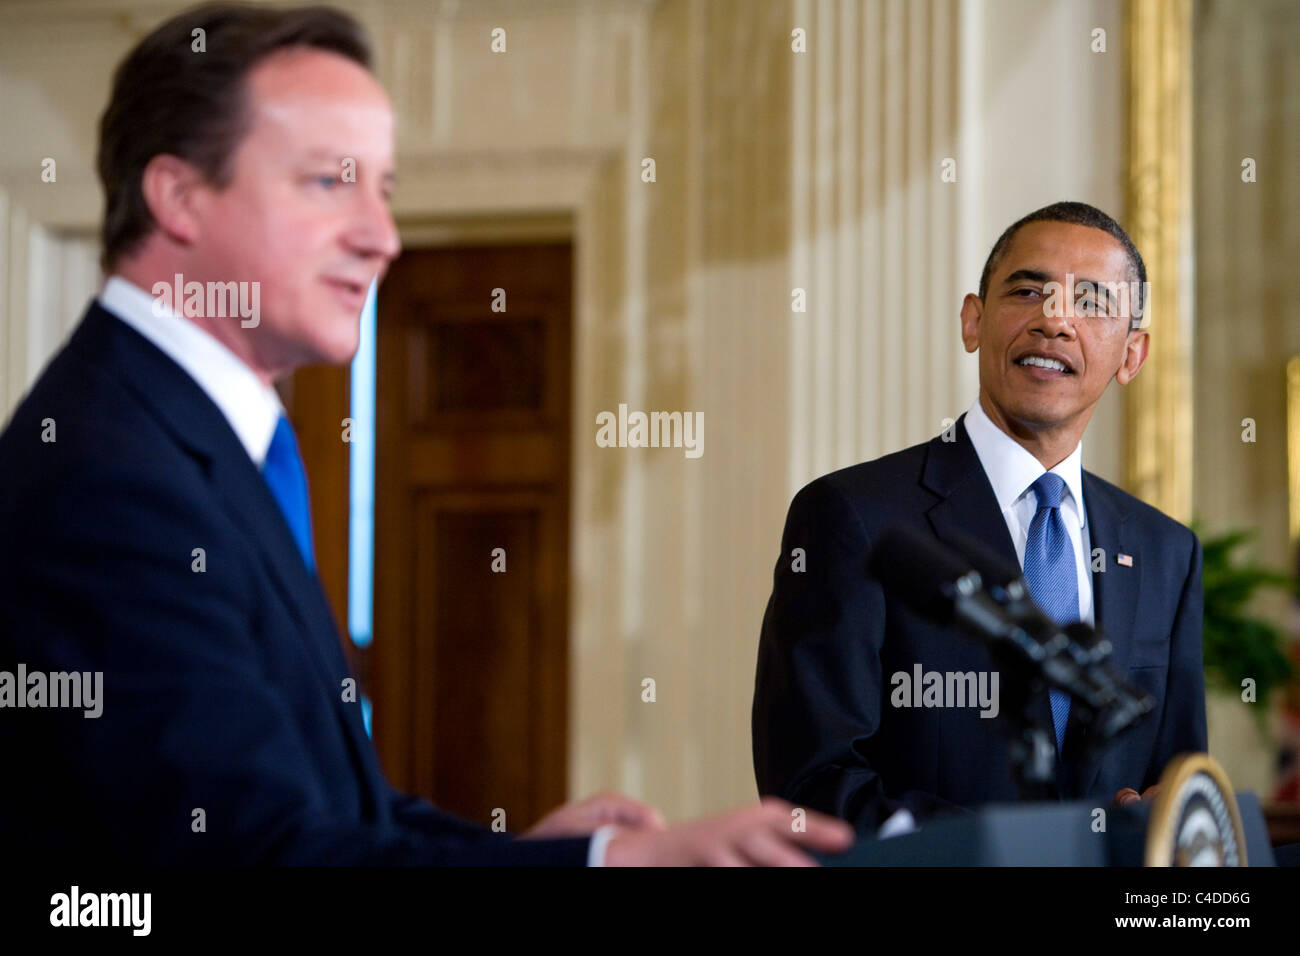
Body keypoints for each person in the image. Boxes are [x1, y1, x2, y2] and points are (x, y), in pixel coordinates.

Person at [0, 2, 852, 867]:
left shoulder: (193, 438)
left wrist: (548, 853)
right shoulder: (108, 475)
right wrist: (615, 865)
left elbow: (334, 812)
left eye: (384, 188)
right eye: (331, 181)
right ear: (180, 197)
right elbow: (257, 855)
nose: (383, 238)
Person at [752, 201, 1207, 833]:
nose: (1055, 322)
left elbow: (1182, 782)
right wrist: (1010, 852)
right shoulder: (853, 516)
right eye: (1028, 291)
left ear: (1132, 355)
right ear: (973, 321)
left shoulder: (1165, 550)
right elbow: (812, 782)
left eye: (1093, 302)